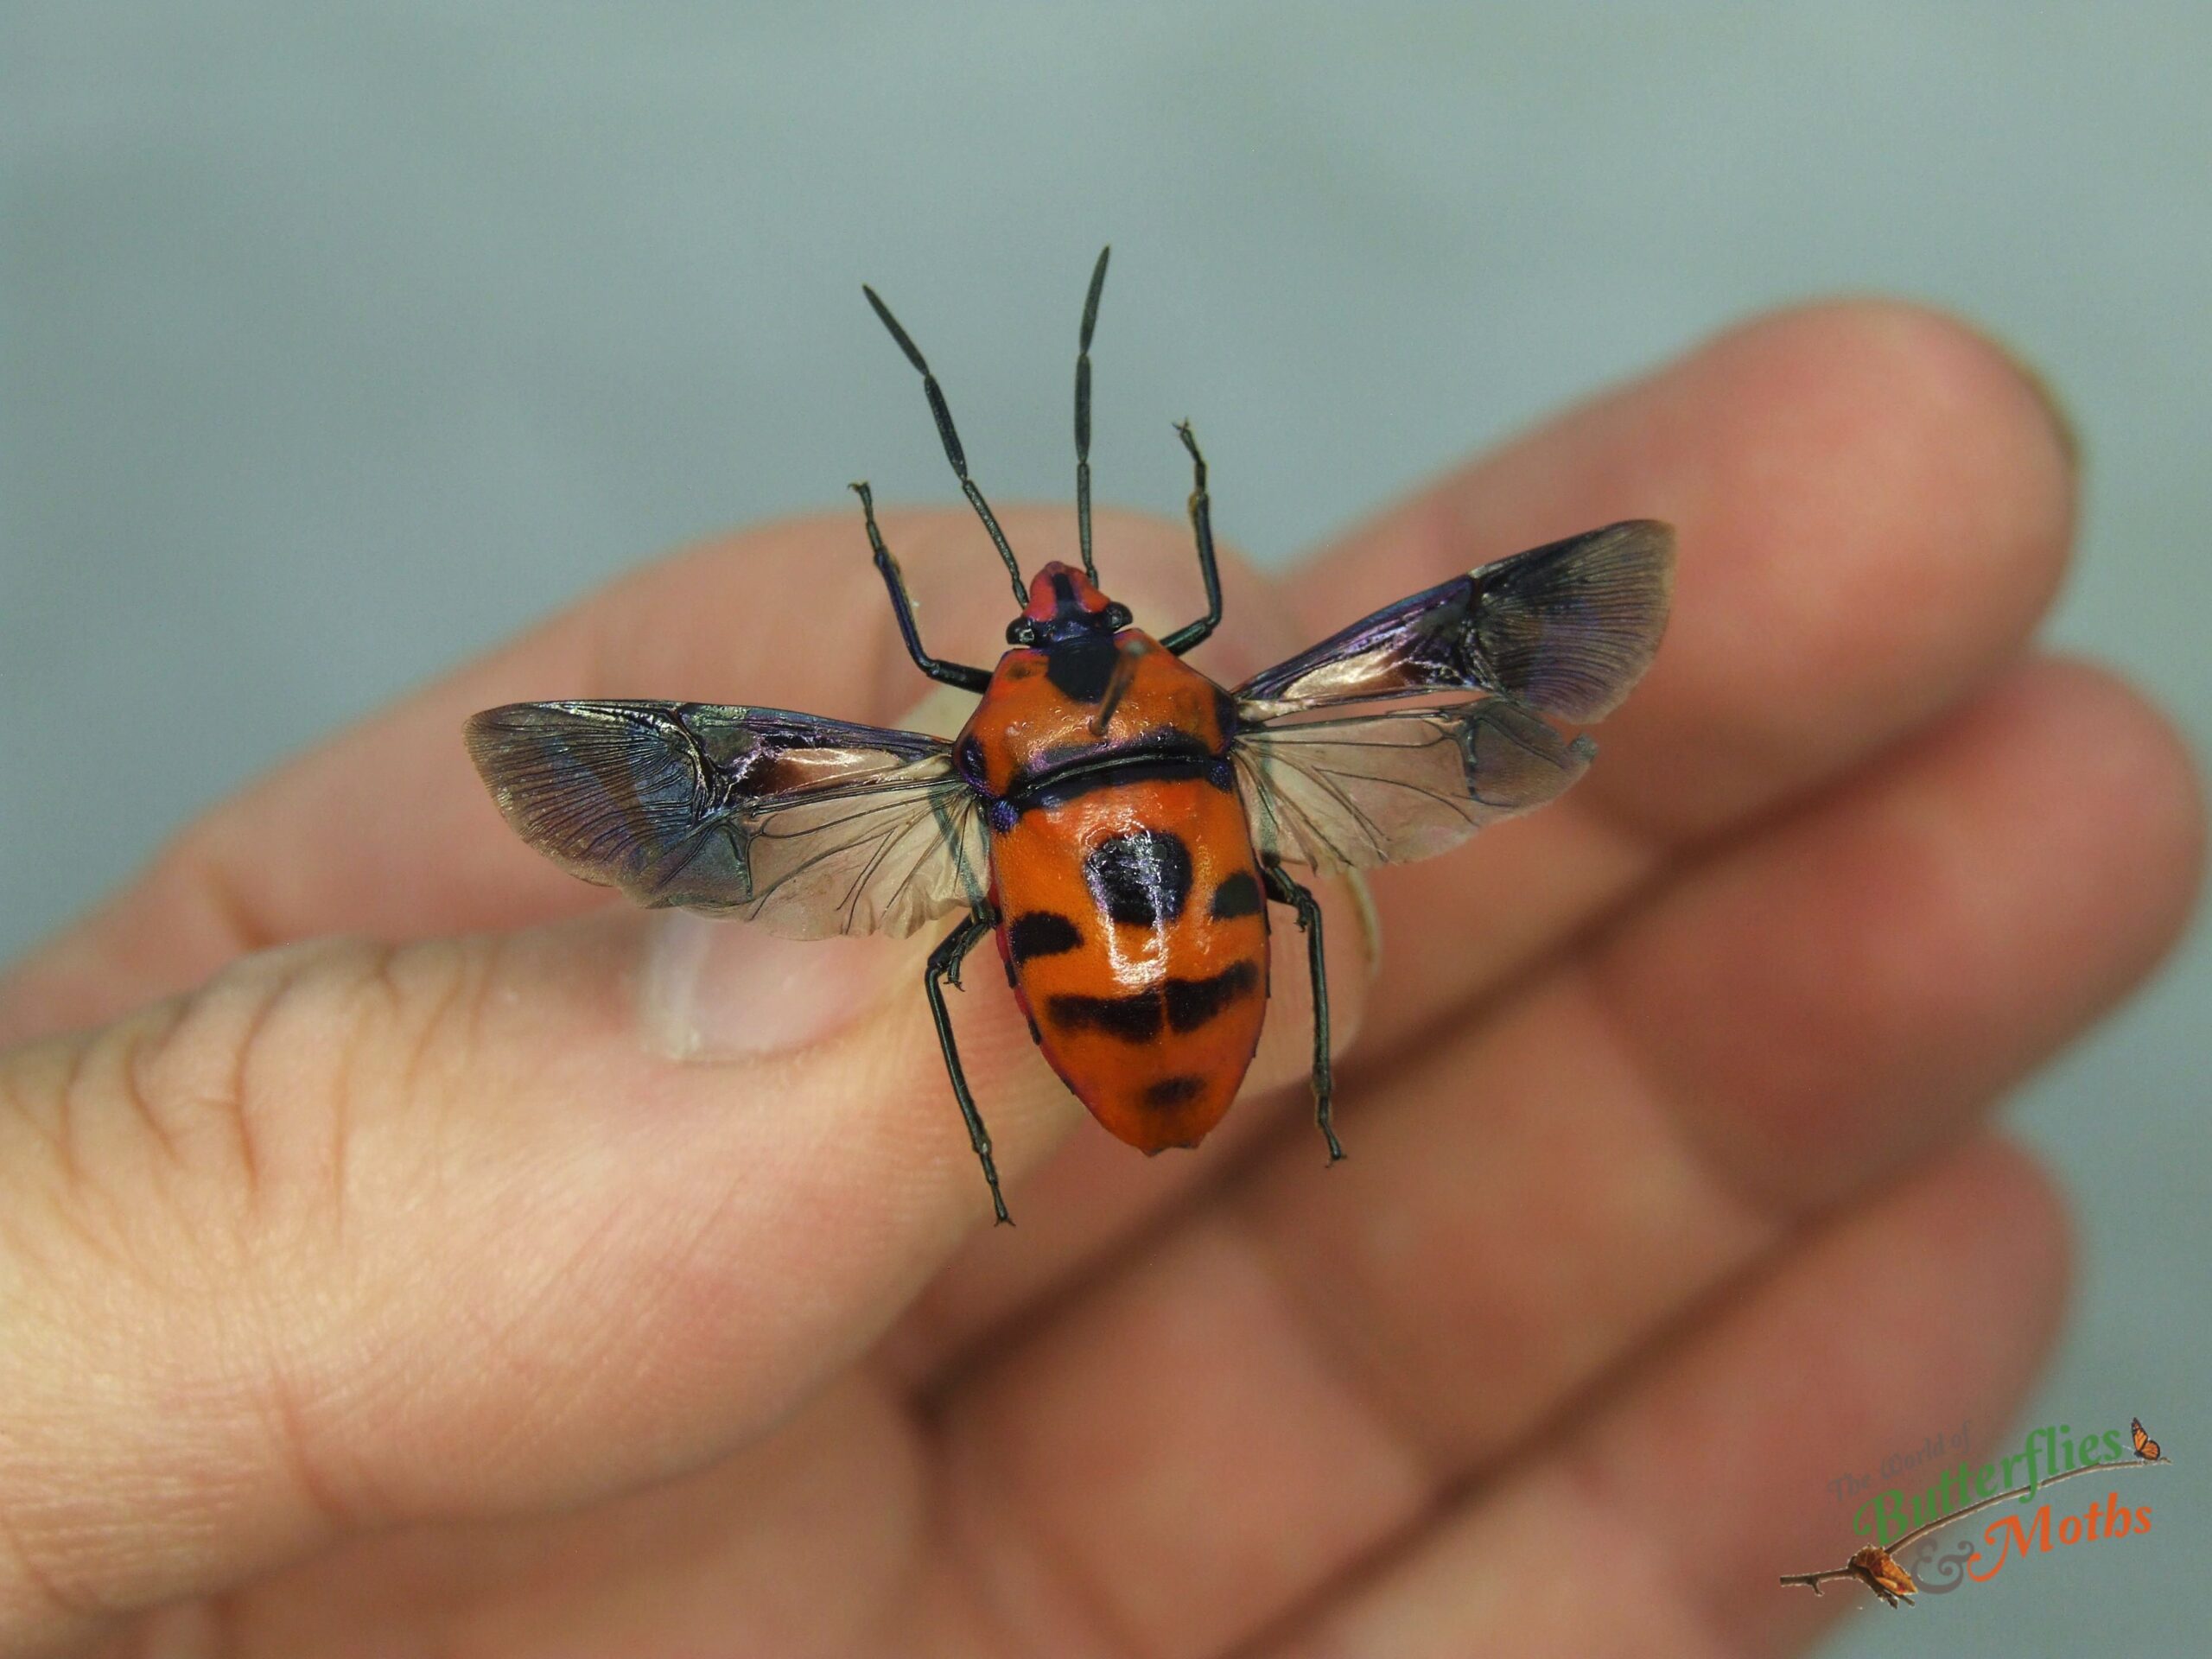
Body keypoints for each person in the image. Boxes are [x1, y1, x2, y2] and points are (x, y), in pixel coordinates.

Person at [0, 299, 2198, 1656]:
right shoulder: (1260, 718)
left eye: (1058, 600)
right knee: (1313, 917)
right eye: (1043, 600)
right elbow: (1505, 662)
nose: (1053, 603)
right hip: (1205, 936)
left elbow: (717, 760)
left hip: (1073, 926)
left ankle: (1057, 1129)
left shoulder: (947, 767)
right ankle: (1266, 1096)